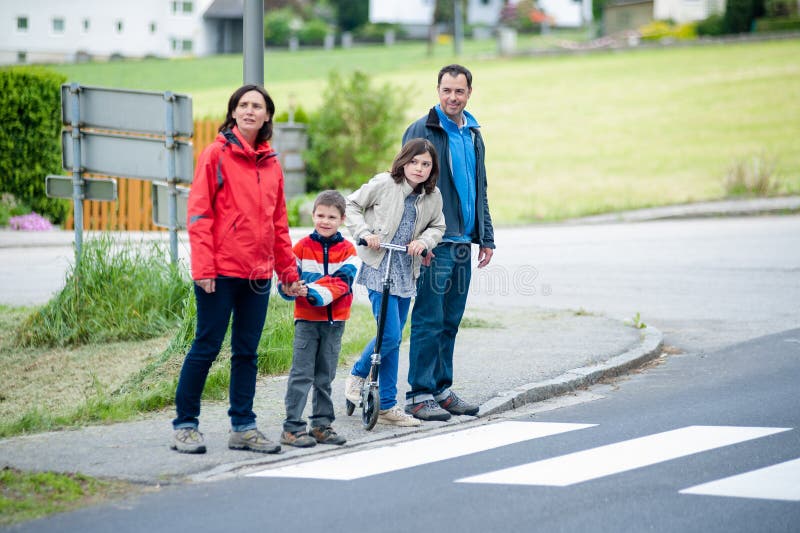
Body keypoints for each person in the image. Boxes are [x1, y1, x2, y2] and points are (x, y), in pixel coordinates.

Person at [172, 84, 304, 454]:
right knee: (207, 345)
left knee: (247, 351)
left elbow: (279, 224)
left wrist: (288, 274)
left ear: (266, 116)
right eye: (242, 105)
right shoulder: (215, 154)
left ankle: (243, 427)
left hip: (258, 275)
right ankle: (185, 424)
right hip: (219, 272)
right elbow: (199, 215)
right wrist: (203, 268)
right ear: (233, 112)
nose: (249, 111)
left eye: (256, 106)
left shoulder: (272, 163)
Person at [402, 64, 495, 422]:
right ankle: (419, 393)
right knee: (429, 317)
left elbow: (480, 187)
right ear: (437, 91)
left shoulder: (473, 133)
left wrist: (485, 236)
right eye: (446, 91)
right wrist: (416, 239)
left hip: (463, 240)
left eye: (459, 91)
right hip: (433, 241)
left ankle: (441, 389)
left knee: (451, 319)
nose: (453, 97)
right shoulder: (423, 129)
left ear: (469, 92)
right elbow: (405, 186)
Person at [344, 138, 446, 426]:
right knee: (388, 336)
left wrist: (424, 241)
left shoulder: (433, 196)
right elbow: (351, 204)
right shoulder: (384, 183)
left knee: (395, 338)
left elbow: (438, 225)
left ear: (431, 169)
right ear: (404, 160)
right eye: (414, 161)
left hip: (405, 268)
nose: (419, 168)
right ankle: (358, 373)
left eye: (426, 164)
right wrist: (364, 232)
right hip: (380, 265)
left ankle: (387, 404)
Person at [278, 190, 358, 448]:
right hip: (306, 322)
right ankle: (292, 427)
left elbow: (342, 282)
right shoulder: (300, 248)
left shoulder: (349, 250)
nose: (325, 221)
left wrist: (308, 288)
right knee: (301, 374)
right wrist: (290, 287)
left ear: (342, 219)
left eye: (331, 217)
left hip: (335, 323)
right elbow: (287, 278)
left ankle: (322, 424)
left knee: (325, 375)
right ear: (313, 215)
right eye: (320, 215)